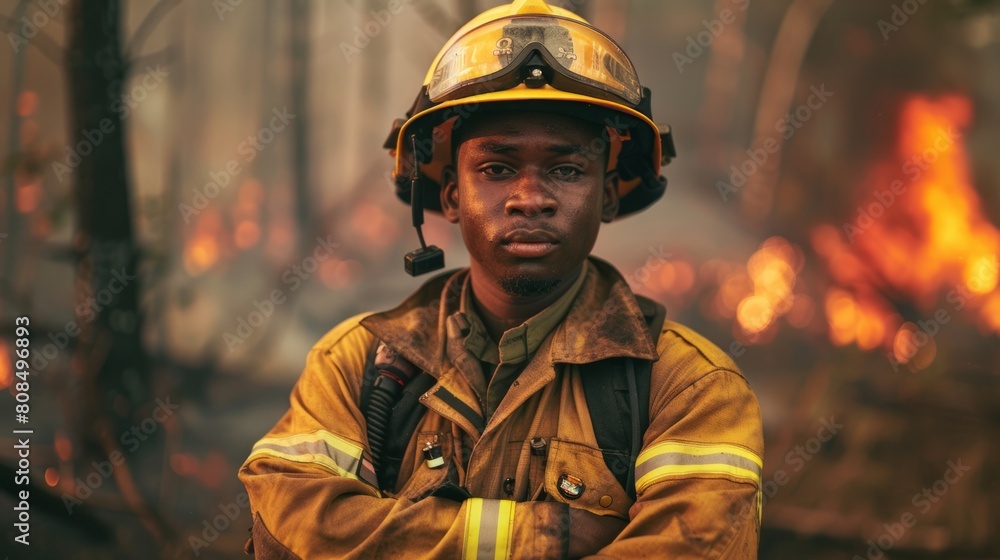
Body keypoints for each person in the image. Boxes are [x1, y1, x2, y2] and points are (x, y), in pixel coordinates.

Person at [238, 0, 763, 557]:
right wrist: (550, 538)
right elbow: (286, 529)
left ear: (607, 196)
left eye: (565, 169)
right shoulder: (354, 365)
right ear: (451, 198)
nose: (530, 198)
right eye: (496, 168)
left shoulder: (690, 388)